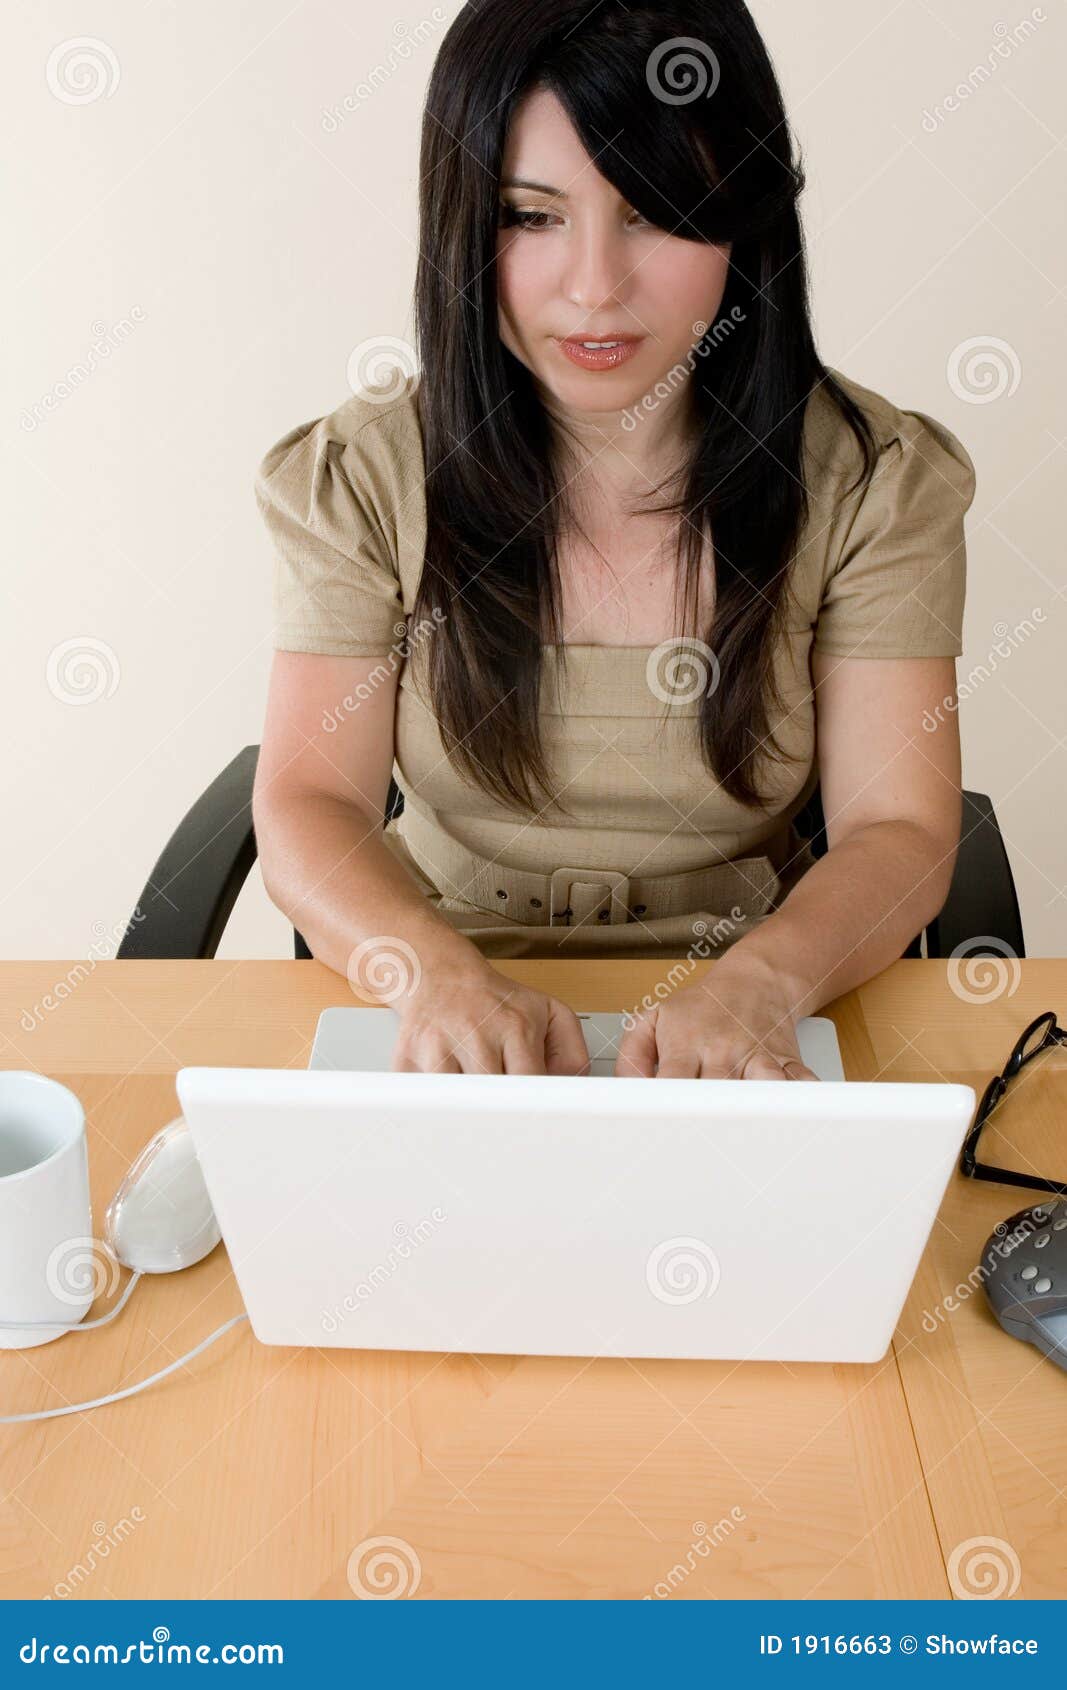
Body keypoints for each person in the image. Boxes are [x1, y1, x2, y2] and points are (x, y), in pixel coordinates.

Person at [251, 0, 976, 1081]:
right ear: (460, 225)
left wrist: (760, 983)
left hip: (746, 1007)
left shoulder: (872, 482)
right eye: (530, 216)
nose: (593, 288)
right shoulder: (361, 475)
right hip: (438, 994)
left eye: (650, 210)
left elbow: (897, 823)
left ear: (741, 214)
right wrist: (434, 974)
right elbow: (312, 800)